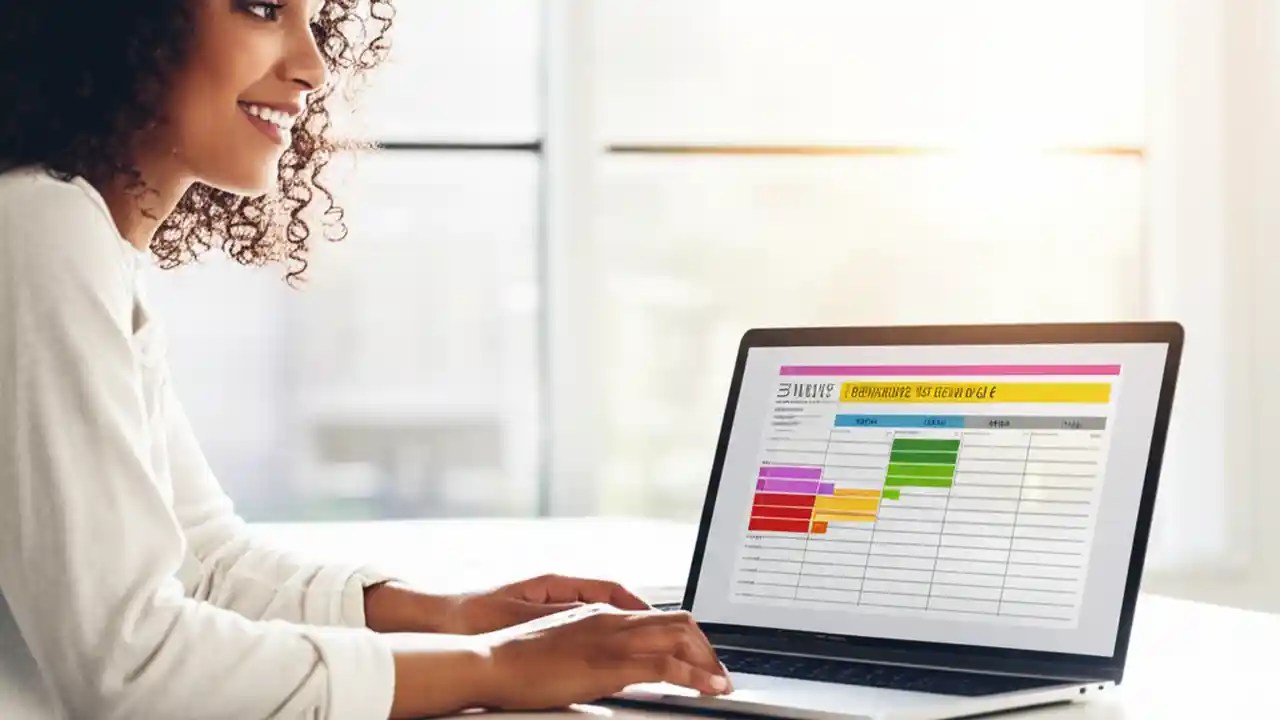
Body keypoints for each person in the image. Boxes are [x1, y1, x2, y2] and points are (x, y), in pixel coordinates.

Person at [0, 1, 731, 717]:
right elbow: (133, 665)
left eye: (313, 21)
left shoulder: (85, 238)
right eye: (260, 10)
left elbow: (207, 564)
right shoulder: (39, 228)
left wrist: (458, 617)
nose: (311, 65)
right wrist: (495, 667)